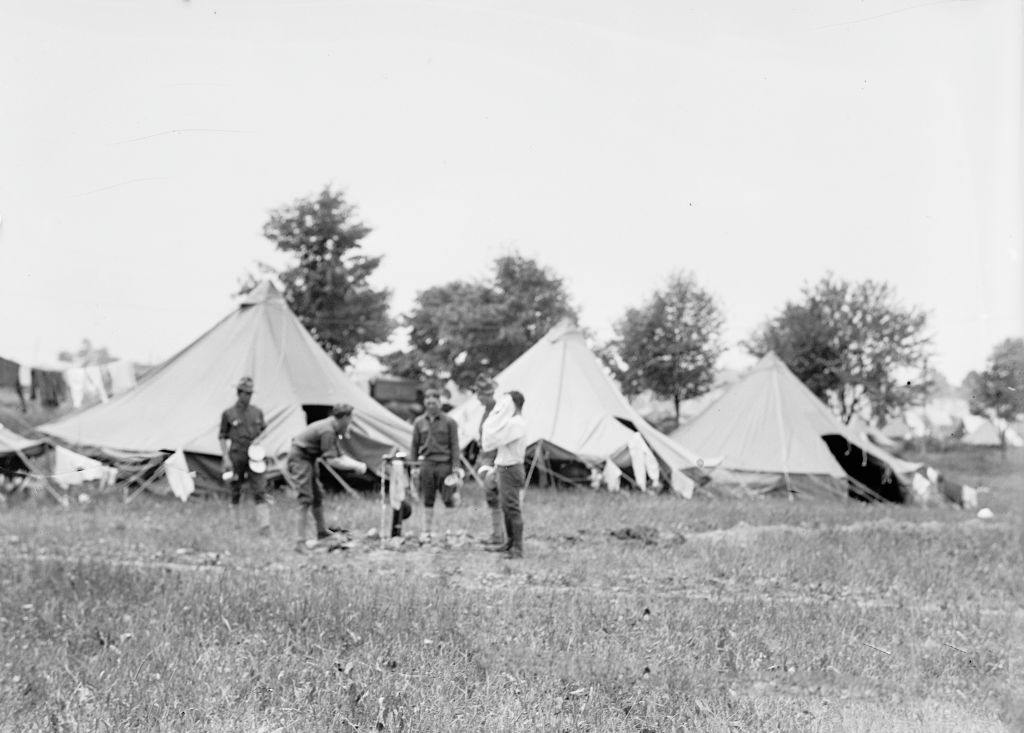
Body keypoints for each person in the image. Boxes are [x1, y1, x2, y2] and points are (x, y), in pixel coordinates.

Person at [287, 404, 367, 549]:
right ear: (343, 418)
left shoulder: (333, 428)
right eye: (350, 419)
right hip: (300, 458)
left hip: (310, 459)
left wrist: (358, 464)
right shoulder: (328, 430)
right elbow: (333, 461)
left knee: (317, 495)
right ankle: (300, 542)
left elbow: (340, 455)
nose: (350, 423)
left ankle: (322, 532)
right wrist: (356, 466)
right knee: (305, 499)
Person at [219, 376, 270, 535]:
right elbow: (222, 436)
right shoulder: (229, 413)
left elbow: (263, 430)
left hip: (254, 454)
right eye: (245, 393)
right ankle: (236, 525)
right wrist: (225, 457)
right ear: (239, 393)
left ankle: (264, 526)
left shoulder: (257, 412)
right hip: (236, 454)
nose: (248, 397)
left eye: (250, 393)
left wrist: (259, 441)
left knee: (260, 488)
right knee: (235, 489)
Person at [410, 388, 460, 540]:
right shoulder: (419, 422)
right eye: (428, 402)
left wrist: (455, 467)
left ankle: (450, 530)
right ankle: (427, 530)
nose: (431, 405)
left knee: (448, 498)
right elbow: (414, 445)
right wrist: (414, 466)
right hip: (427, 463)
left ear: (440, 402)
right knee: (428, 497)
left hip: (444, 464)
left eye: (434, 402)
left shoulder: (450, 422)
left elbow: (455, 445)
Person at [483, 390, 527, 559]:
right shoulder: (512, 423)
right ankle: (510, 543)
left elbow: (495, 439)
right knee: (506, 507)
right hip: (504, 466)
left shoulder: (517, 423)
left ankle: (517, 547)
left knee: (512, 508)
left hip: (511, 468)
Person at [473, 375, 504, 546]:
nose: (478, 399)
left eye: (480, 395)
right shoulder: (487, 411)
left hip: (495, 459)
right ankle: (497, 533)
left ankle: (501, 534)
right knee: (491, 496)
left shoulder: (498, 410)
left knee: (497, 494)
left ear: (488, 395)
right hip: (486, 457)